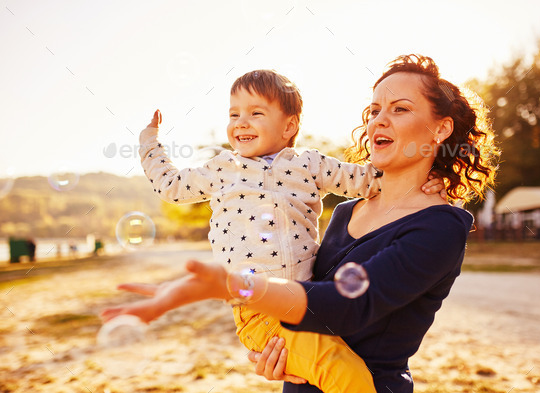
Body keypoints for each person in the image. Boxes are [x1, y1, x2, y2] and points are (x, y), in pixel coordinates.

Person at [105, 69, 445, 393]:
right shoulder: (223, 168)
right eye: (233, 114)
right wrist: (149, 143)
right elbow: (171, 185)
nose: (241, 123)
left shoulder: (310, 165)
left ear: (289, 126)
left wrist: (430, 176)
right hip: (257, 310)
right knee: (345, 373)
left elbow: (368, 179)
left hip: (303, 304)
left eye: (255, 113)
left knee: (342, 371)